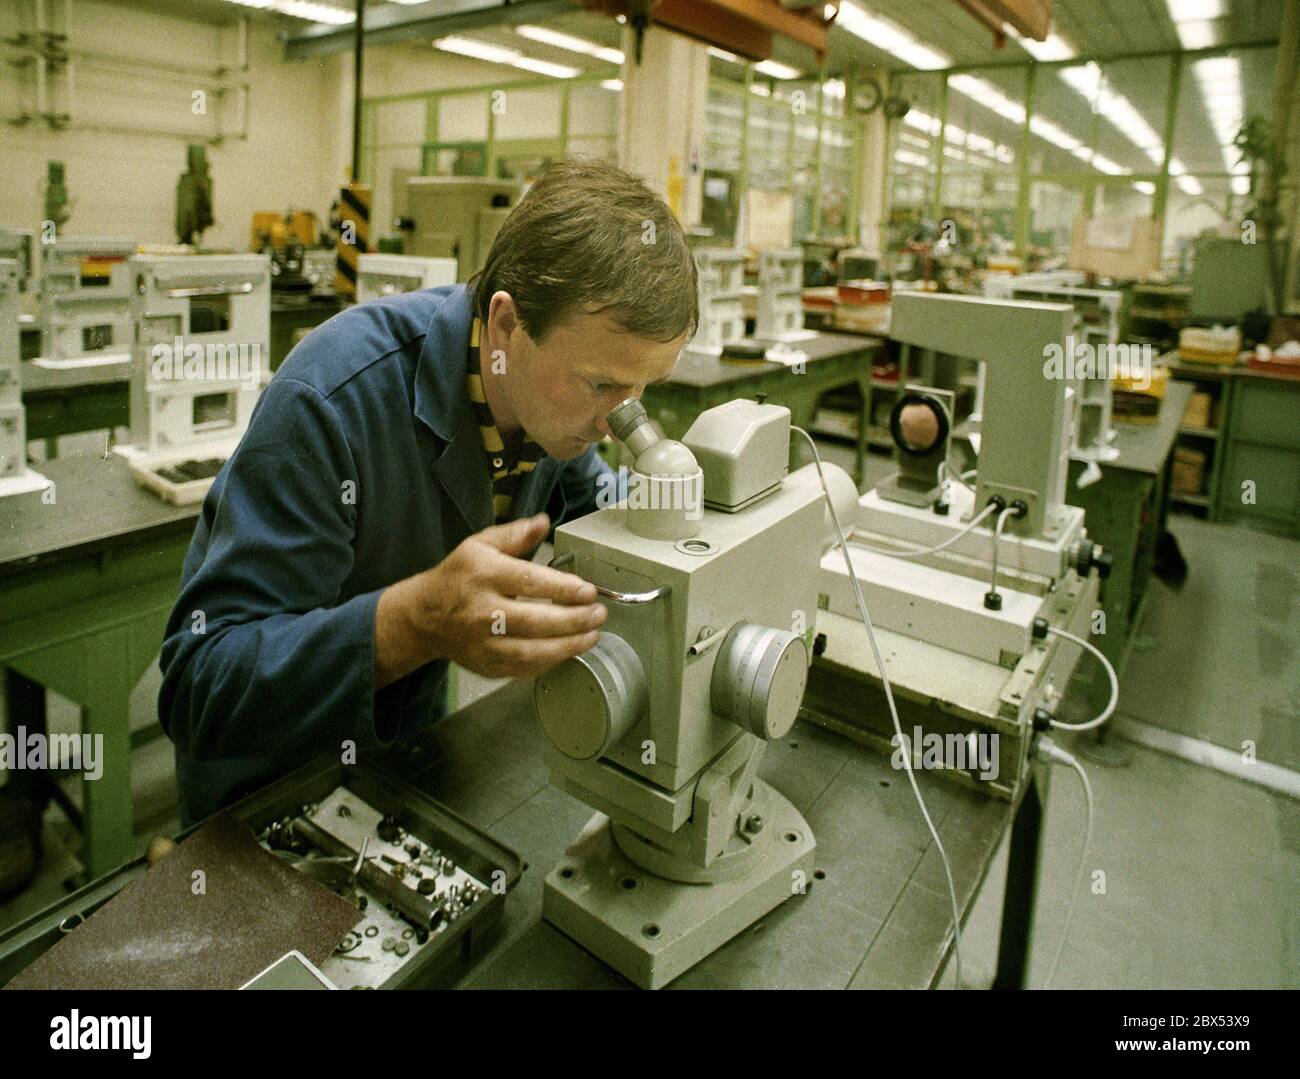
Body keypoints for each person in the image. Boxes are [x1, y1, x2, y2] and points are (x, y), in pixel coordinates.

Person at [158, 160, 699, 824]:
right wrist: (413, 620)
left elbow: (603, 522)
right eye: (603, 386)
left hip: (405, 767)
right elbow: (199, 688)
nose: (620, 419)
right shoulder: (331, 400)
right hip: (269, 792)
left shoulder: (550, 411)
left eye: (644, 387)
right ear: (506, 327)